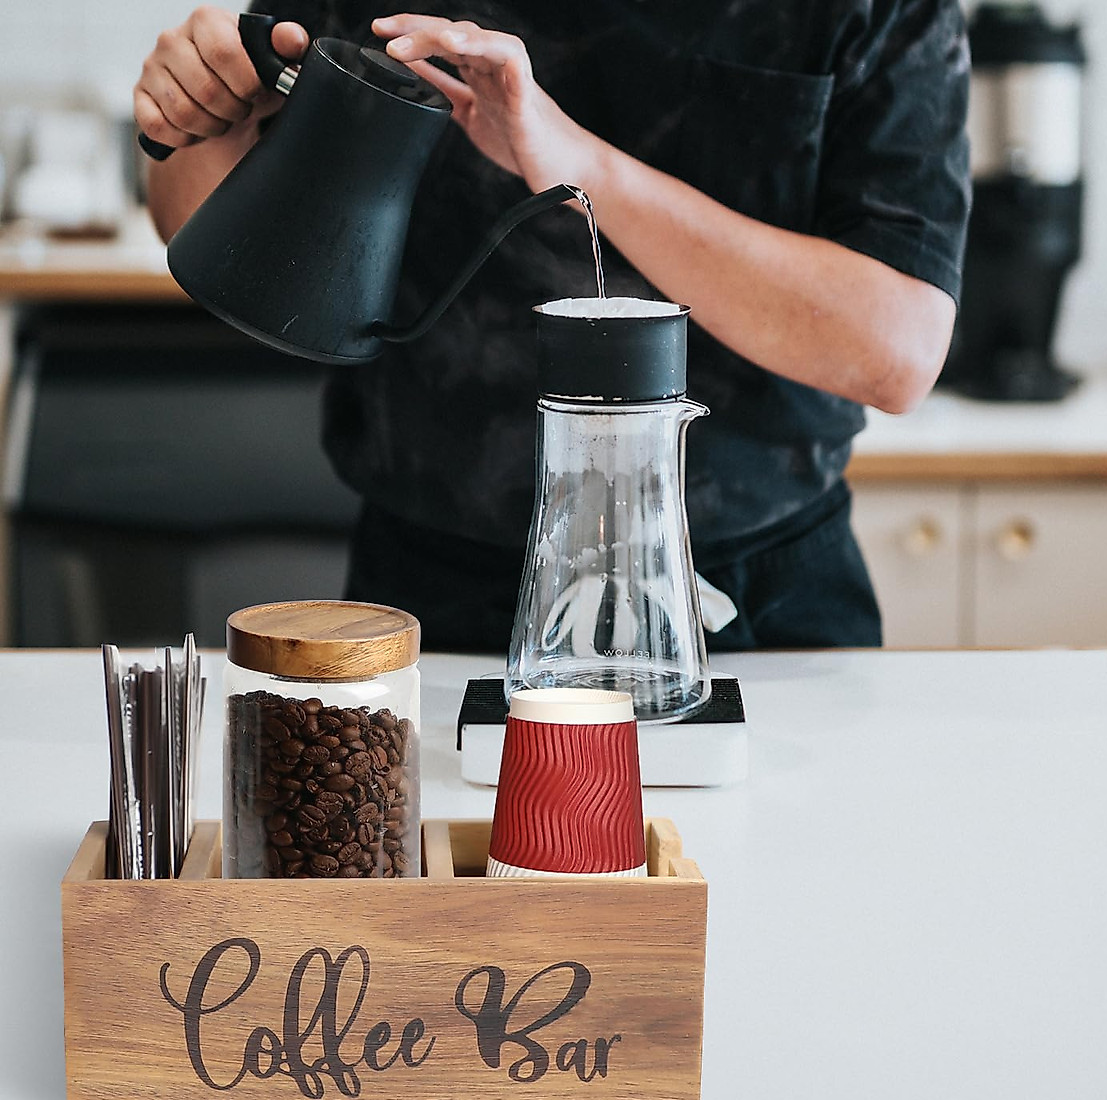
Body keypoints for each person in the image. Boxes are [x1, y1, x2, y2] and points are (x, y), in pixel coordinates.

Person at [135, 1, 970, 652]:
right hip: (430, 585)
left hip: (753, 597)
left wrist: (577, 162)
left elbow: (894, 350)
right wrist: (204, 111)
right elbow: (193, 216)